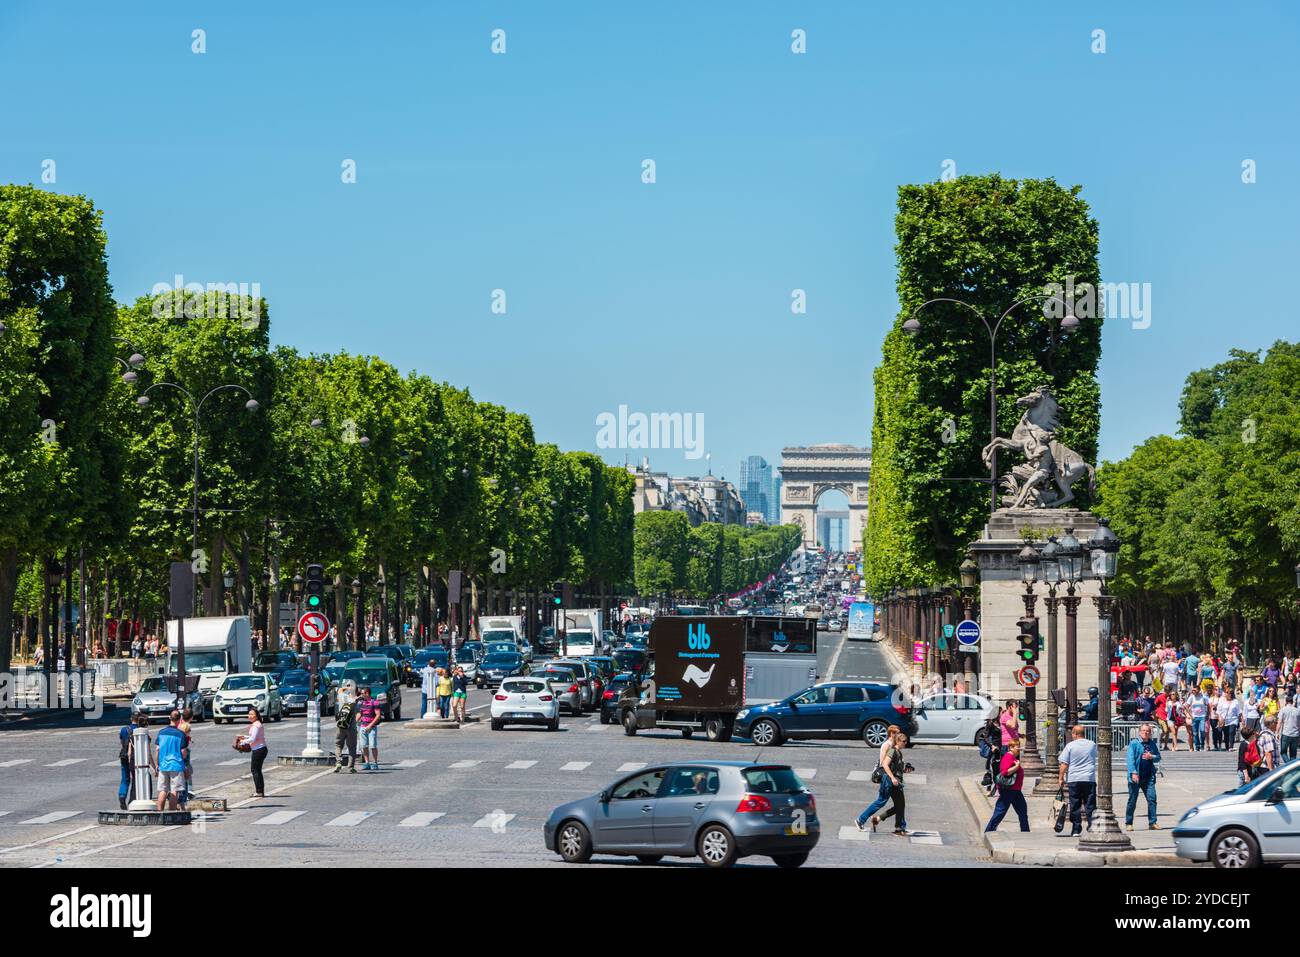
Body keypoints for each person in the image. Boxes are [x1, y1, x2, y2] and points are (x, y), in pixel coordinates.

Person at [855, 724, 903, 831]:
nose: (899, 735)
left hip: (892, 778)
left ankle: (899, 826)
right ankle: (860, 820)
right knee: (881, 801)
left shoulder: (895, 745)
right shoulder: (887, 745)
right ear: (891, 733)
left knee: (900, 804)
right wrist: (892, 777)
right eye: (897, 733)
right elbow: (883, 763)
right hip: (887, 778)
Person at [1058, 724, 1097, 836]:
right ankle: (1092, 826)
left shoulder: (1070, 746)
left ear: (1074, 734)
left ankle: (1076, 828)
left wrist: (1060, 778)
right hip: (1089, 778)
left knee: (1075, 804)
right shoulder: (1092, 744)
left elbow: (1064, 764)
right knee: (1090, 804)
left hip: (1074, 779)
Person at [985, 738, 1030, 833]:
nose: (1019, 749)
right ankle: (989, 831)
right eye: (1018, 747)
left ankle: (1025, 832)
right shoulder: (1008, 757)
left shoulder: (1013, 758)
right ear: (1011, 748)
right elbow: (1004, 772)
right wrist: (1017, 767)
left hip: (1015, 790)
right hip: (1008, 790)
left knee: (1022, 811)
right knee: (1000, 812)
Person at [1123, 723, 1161, 831]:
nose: (1146, 733)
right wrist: (1133, 773)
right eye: (1143, 731)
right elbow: (1130, 760)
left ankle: (1152, 822)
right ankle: (1129, 823)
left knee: (1152, 799)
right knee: (1132, 800)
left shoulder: (1152, 744)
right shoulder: (1134, 743)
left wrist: (1151, 756)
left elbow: (1158, 757)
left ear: (1150, 733)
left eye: (1148, 731)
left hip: (1148, 777)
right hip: (1136, 777)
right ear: (1139, 732)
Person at [875, 731, 910, 835]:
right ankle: (899, 828)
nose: (905, 743)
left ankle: (878, 819)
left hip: (896, 782)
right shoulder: (893, 751)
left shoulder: (899, 752)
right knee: (898, 805)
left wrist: (905, 770)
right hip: (891, 782)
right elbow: (885, 765)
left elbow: (896, 768)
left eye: (906, 741)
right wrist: (893, 778)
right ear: (898, 741)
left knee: (899, 806)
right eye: (903, 741)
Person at [154, 710, 189, 812]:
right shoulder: (181, 734)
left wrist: (157, 764)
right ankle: (172, 813)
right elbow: (183, 752)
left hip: (163, 765)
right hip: (176, 765)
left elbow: (157, 750)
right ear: (179, 720)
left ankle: (159, 813)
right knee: (174, 791)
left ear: (170, 718)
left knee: (162, 790)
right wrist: (185, 765)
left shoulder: (161, 733)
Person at [235, 707, 268, 798]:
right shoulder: (257, 724)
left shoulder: (256, 725)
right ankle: (260, 791)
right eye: (249, 714)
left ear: (257, 715)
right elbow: (254, 737)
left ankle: (259, 791)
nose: (250, 716)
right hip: (259, 749)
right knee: (257, 770)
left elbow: (253, 738)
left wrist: (242, 742)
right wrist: (244, 737)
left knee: (255, 770)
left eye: (252, 714)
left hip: (259, 749)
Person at [333, 680, 359, 773]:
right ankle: (351, 767)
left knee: (338, 744)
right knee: (352, 746)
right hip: (351, 726)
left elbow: (340, 690)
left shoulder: (341, 696)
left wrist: (346, 687)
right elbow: (358, 713)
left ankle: (338, 762)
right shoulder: (356, 699)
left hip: (341, 725)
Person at [117, 712, 142, 810]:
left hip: (123, 755)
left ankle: (122, 796)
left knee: (125, 779)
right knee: (136, 779)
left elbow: (122, 741)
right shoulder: (139, 730)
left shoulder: (124, 729)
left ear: (131, 719)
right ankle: (132, 799)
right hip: (135, 757)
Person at [357, 686, 382, 770]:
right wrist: (354, 721)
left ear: (367, 693)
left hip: (372, 727)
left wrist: (370, 726)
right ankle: (367, 762)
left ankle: (375, 763)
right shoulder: (361, 703)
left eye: (362, 693)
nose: (361, 695)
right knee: (364, 746)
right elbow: (360, 714)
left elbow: (378, 715)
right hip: (363, 726)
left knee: (373, 746)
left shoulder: (374, 702)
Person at [1217, 686, 1241, 753]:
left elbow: (1238, 711)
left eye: (1230, 693)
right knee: (1226, 734)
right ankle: (1227, 746)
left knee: (1231, 732)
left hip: (1233, 719)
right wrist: (1220, 718)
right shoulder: (1222, 700)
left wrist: (1242, 719)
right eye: (1227, 692)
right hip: (1224, 720)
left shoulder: (1235, 701)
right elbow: (1218, 711)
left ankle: (1231, 746)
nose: (1229, 694)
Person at [178, 707, 195, 804]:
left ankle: (186, 791)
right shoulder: (186, 726)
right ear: (191, 717)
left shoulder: (179, 724)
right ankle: (188, 791)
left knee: (186, 771)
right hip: (184, 750)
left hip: (178, 750)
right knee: (187, 771)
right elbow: (184, 736)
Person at [1185, 687, 1208, 751]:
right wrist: (1191, 715)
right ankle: (1197, 746)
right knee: (1195, 733)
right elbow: (1186, 706)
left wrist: (1207, 714)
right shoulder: (1191, 697)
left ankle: (1202, 744)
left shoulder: (1203, 697)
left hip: (1202, 716)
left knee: (1202, 731)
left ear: (1199, 690)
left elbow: (1208, 705)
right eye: (1192, 690)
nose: (1193, 691)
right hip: (1194, 717)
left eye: (1194, 690)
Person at [1278, 694, 1299, 763]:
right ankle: (1291, 768)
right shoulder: (1297, 711)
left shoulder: (1283, 710)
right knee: (1293, 754)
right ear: (1292, 702)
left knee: (1283, 752)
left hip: (1286, 734)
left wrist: (1277, 732)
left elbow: (1280, 722)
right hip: (1295, 734)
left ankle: (1288, 765)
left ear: (1286, 702)